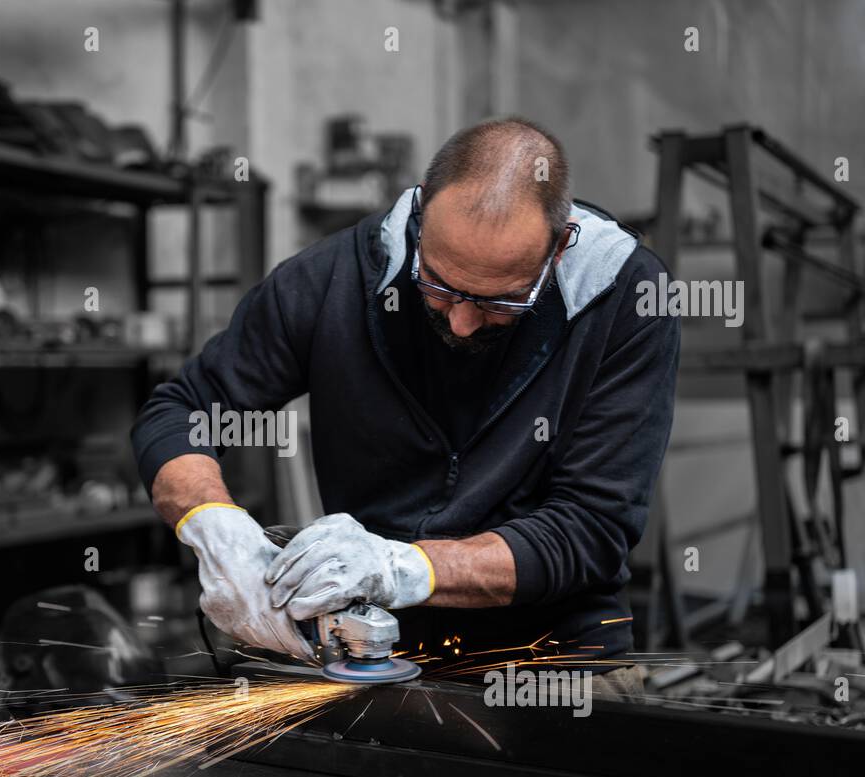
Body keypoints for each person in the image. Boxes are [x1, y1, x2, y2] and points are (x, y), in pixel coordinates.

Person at [131, 118, 679, 700]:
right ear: (417, 224)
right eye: (440, 288)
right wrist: (215, 527)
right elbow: (183, 410)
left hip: (557, 667)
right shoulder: (333, 277)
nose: (464, 321)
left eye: (502, 301)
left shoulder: (627, 300)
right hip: (366, 660)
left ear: (558, 248)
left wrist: (401, 568)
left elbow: (590, 530)